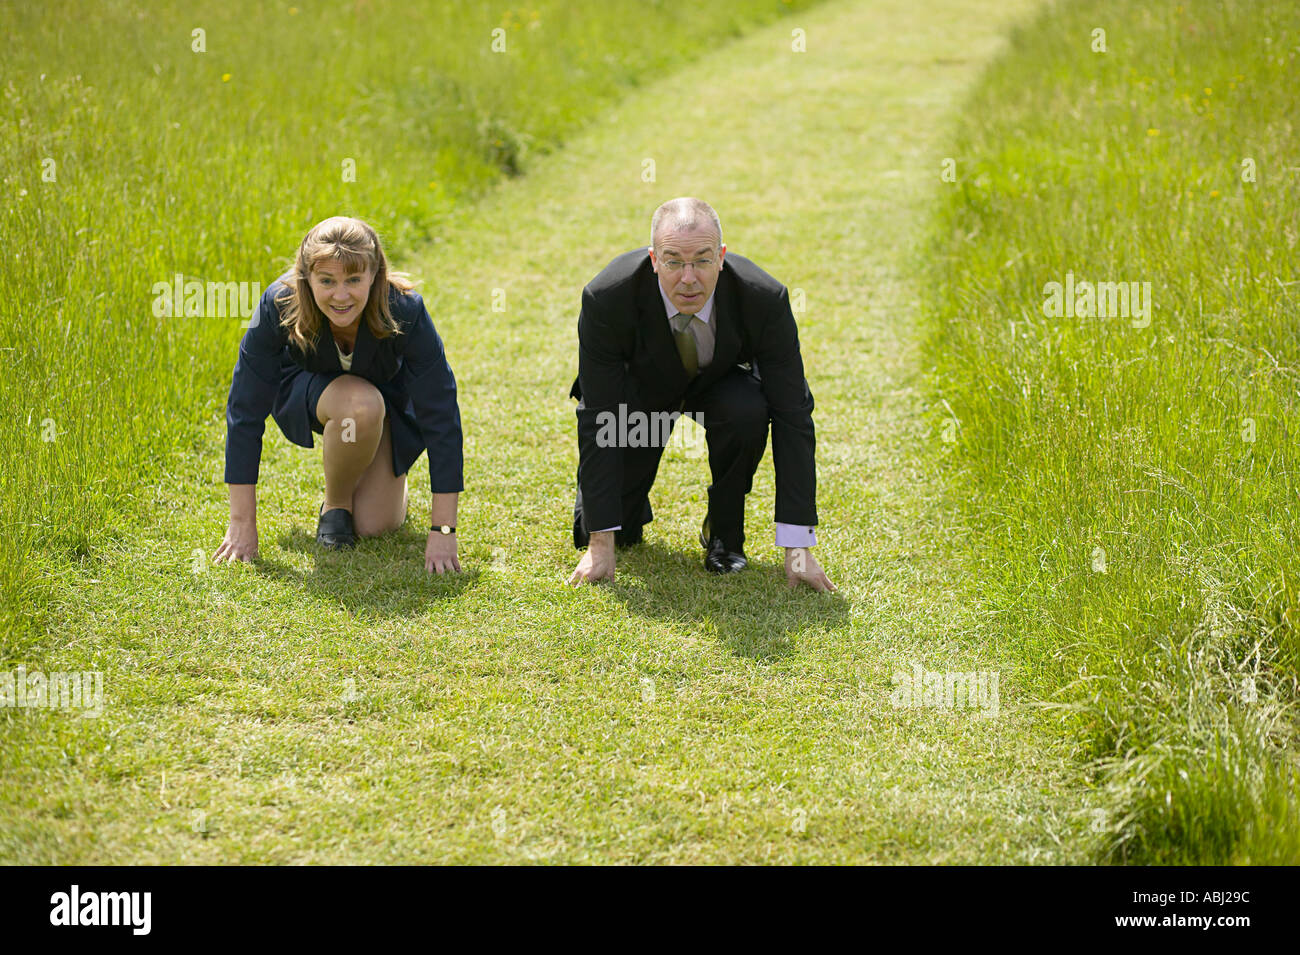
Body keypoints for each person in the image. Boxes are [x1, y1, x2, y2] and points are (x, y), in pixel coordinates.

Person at [567, 197, 835, 592]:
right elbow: (599, 414)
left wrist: (798, 547)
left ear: (721, 257)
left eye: (702, 261)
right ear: (654, 259)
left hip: (719, 386)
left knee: (747, 409)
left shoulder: (764, 299)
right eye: (674, 261)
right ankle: (618, 519)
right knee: (616, 532)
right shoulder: (607, 298)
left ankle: (724, 534)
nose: (688, 278)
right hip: (641, 394)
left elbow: (794, 414)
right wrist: (600, 540)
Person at [212, 216, 464, 574]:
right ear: (306, 277)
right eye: (327, 281)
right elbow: (244, 410)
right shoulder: (278, 303)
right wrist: (241, 522)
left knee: (376, 525)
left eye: (354, 280)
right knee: (357, 406)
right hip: (312, 395)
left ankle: (376, 464)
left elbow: (441, 414)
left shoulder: (404, 308)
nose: (340, 295)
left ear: (374, 276)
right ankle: (336, 505)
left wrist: (443, 530)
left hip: (383, 406)